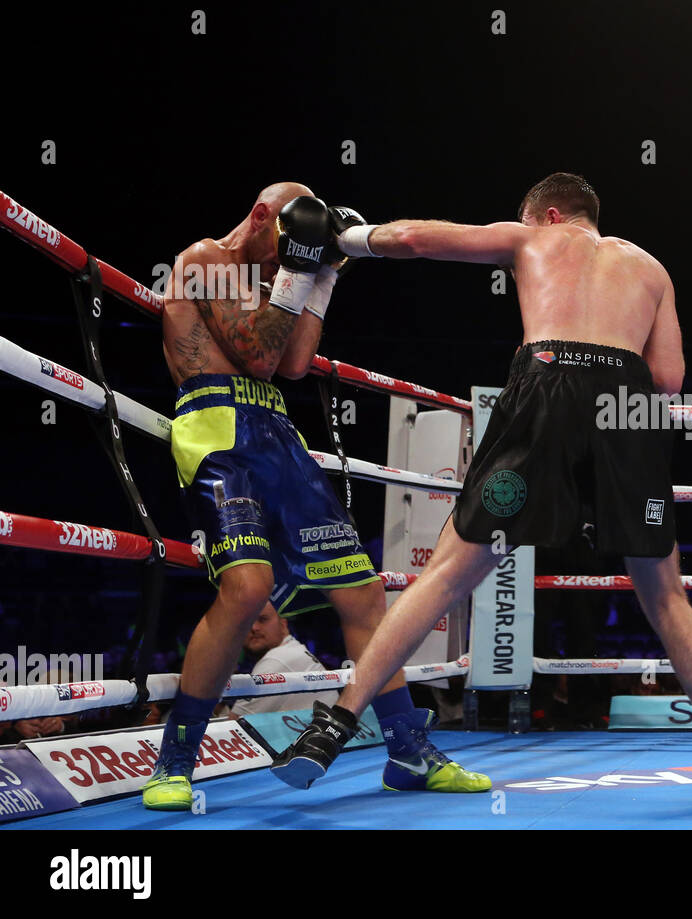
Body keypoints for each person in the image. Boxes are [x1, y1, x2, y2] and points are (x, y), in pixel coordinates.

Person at [272, 173, 692, 805]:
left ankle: (332, 728)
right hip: (628, 408)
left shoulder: (536, 239)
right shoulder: (651, 268)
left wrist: (348, 239)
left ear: (548, 215)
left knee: (449, 574)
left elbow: (418, 239)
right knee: (667, 597)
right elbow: (669, 377)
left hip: (549, 381)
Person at [145, 183, 487, 811]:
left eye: (290, 260)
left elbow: (294, 363)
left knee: (361, 595)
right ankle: (175, 762)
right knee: (246, 590)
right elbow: (256, 352)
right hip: (217, 429)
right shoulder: (204, 260)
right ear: (258, 218)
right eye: (283, 250)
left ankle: (409, 750)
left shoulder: (279, 273)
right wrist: (300, 267)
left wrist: (322, 272)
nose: (282, 266)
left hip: (274, 429)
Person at [224, 603, 340, 717]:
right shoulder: (292, 651)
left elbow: (233, 726)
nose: (254, 627)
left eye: (263, 619)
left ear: (283, 625)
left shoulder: (278, 659)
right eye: (247, 622)